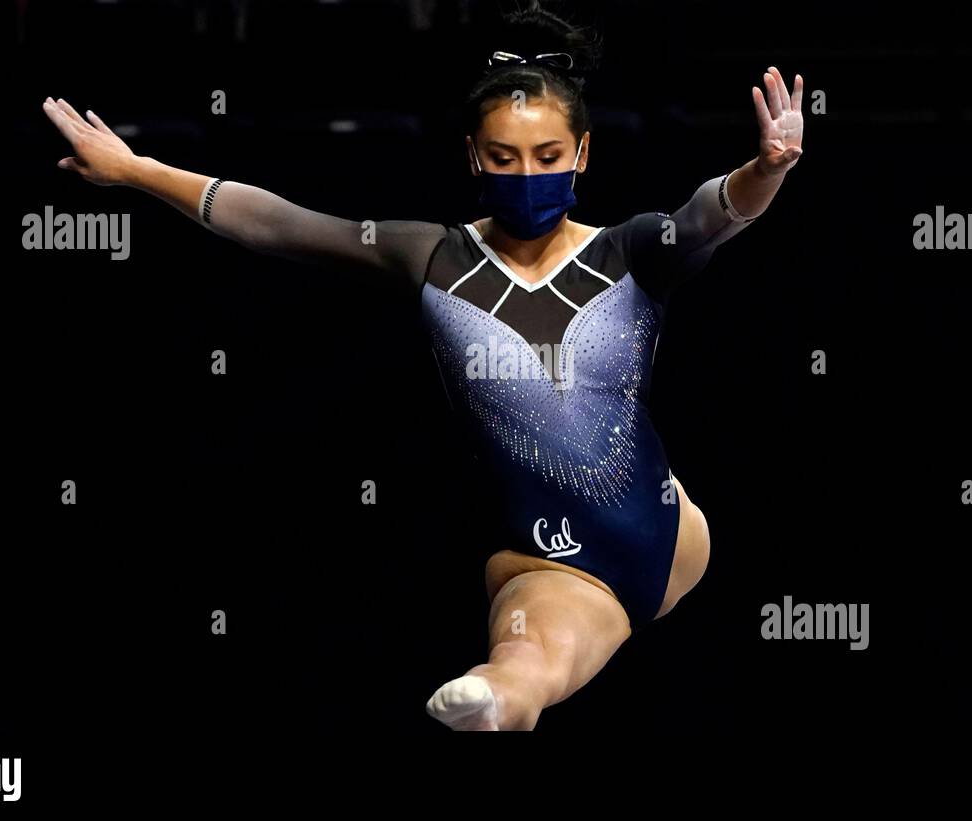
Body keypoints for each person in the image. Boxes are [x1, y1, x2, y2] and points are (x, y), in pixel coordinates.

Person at [41, 1, 804, 730]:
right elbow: (276, 224)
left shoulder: (632, 252)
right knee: (523, 659)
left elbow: (711, 214)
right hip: (556, 562)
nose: (526, 173)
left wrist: (766, 169)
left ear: (583, 153)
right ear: (472, 154)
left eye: (546, 156)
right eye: (503, 157)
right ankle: (492, 700)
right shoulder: (432, 256)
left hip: (678, 534)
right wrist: (137, 170)